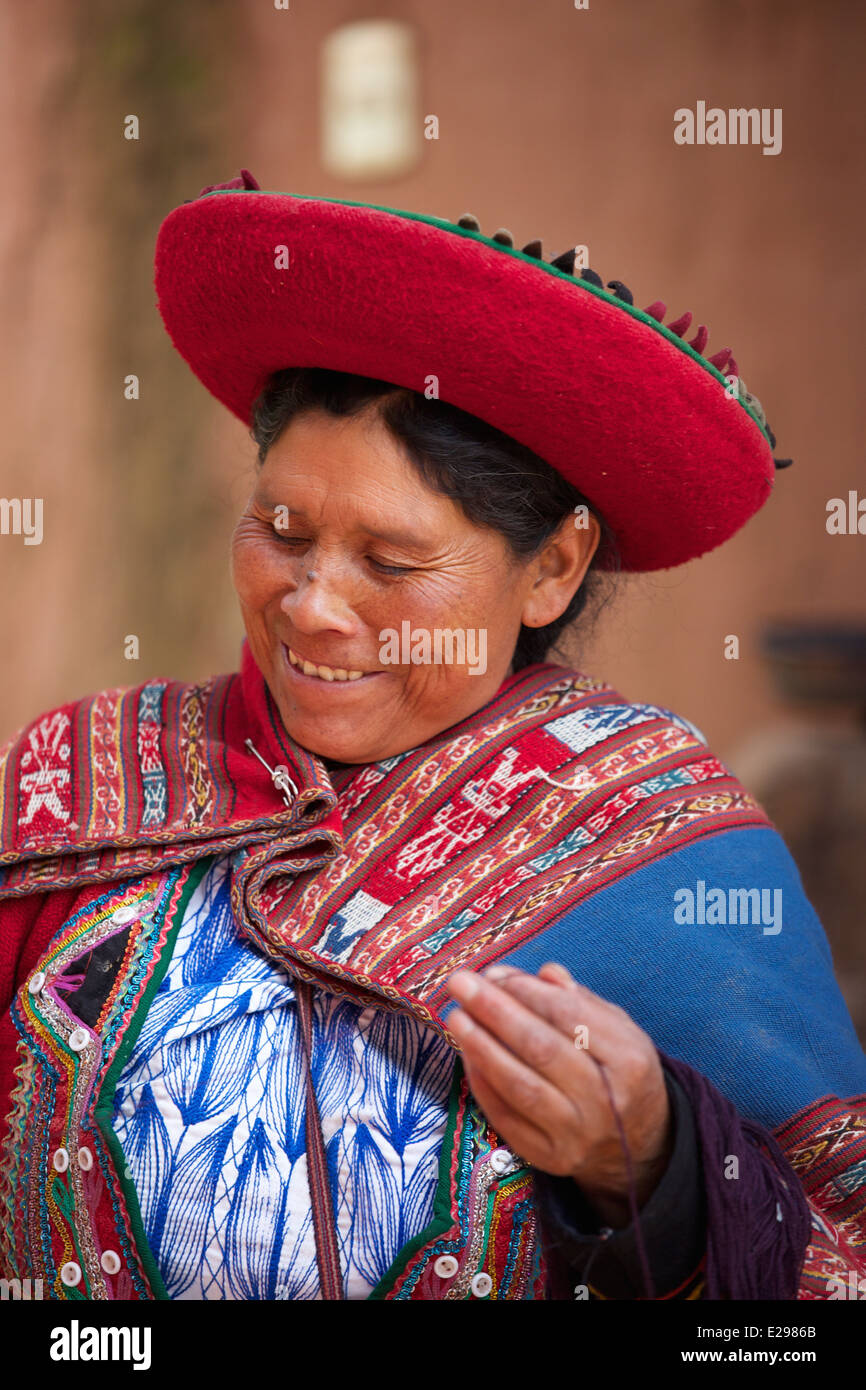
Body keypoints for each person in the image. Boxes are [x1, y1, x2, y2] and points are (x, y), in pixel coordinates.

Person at [0, 170, 863, 1302]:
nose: (311, 603)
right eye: (281, 529)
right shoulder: (85, 781)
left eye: (391, 563)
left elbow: (831, 1256)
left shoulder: (653, 836)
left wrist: (654, 1171)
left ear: (549, 568)